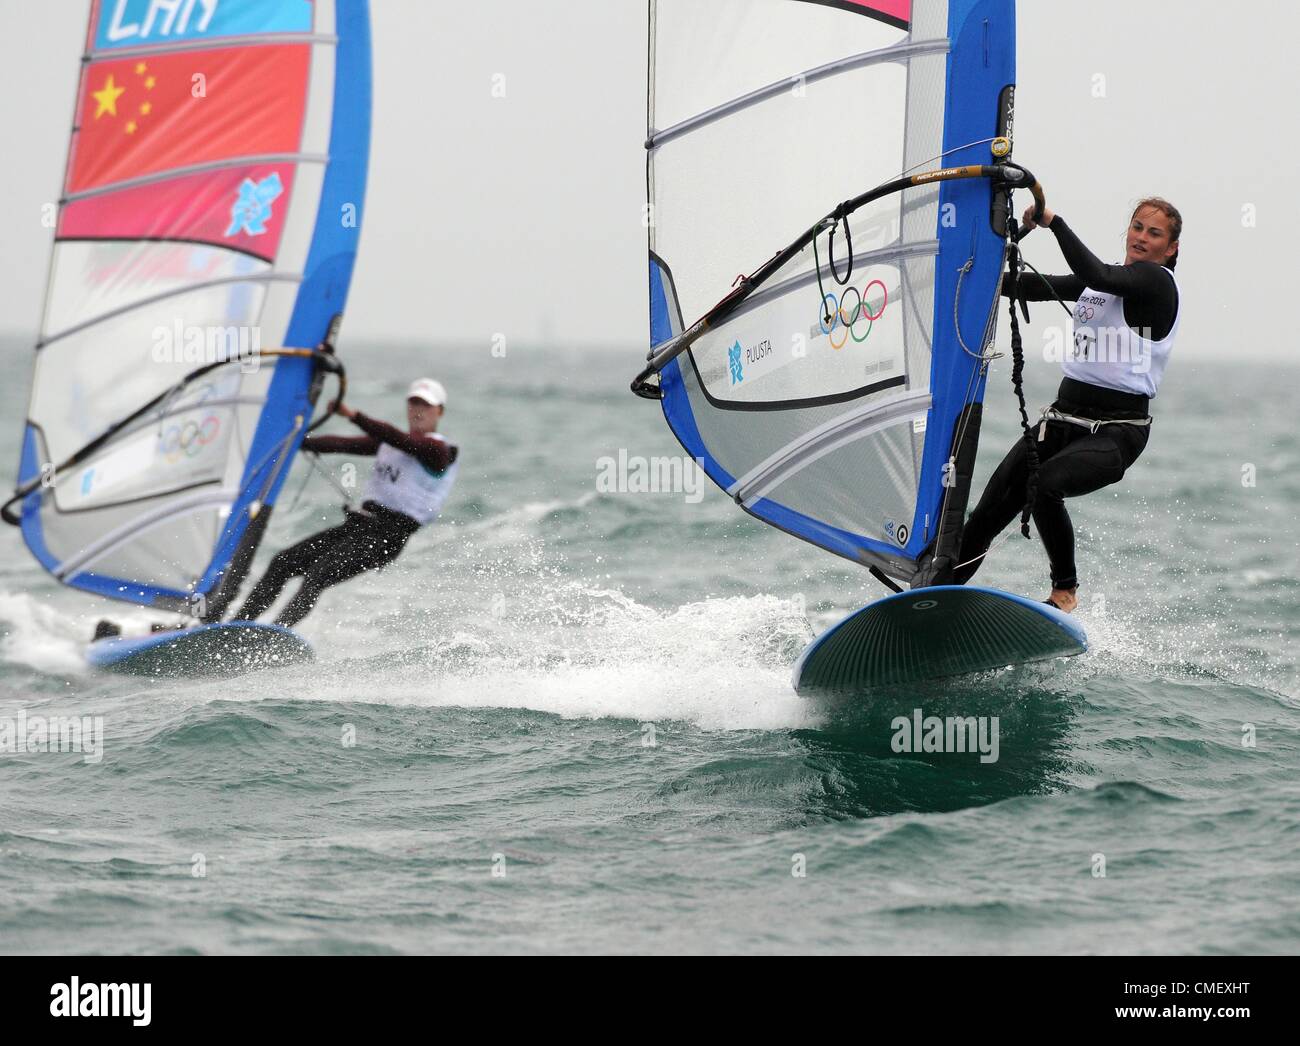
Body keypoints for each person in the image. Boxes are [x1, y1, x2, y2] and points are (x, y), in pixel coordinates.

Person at [954, 198, 1182, 612]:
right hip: (1060, 421)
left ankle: (1065, 591)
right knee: (985, 515)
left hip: (1117, 432)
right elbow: (1036, 285)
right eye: (1137, 227)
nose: (1142, 238)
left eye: (1154, 233)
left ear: (1170, 249)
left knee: (1045, 486)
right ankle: (935, 594)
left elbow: (1095, 271)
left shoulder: (1156, 284)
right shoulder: (1105, 285)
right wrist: (971, 276)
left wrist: (1052, 222)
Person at [234, 378, 459, 626]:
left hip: (388, 536)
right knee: (282, 563)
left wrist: (353, 415)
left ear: (440, 411)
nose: (418, 411)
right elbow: (342, 443)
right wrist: (295, 442)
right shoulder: (391, 443)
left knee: (317, 575)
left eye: (426, 406)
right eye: (414, 403)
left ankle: (275, 635)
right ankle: (237, 628)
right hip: (358, 528)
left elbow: (402, 440)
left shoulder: (439, 451)